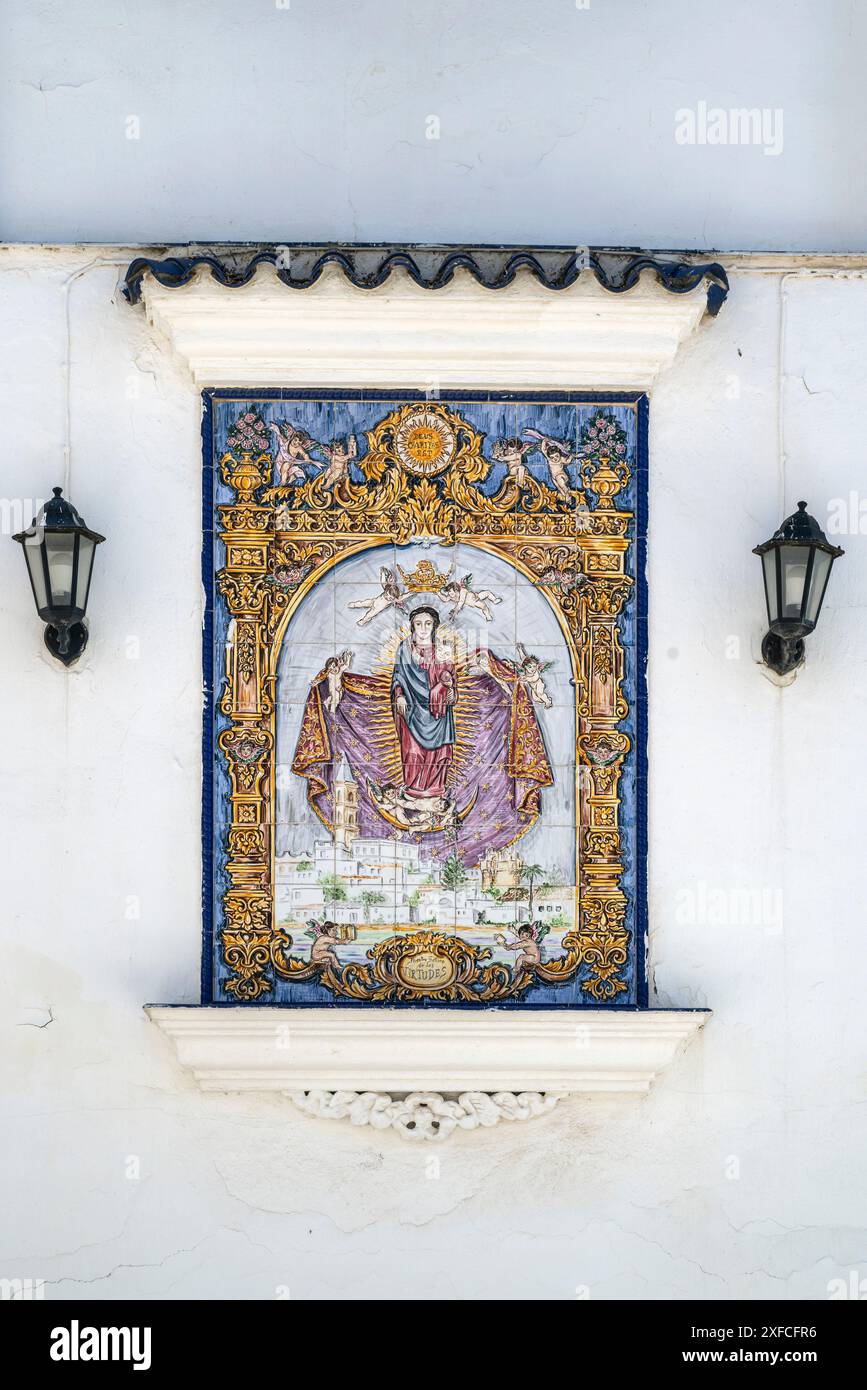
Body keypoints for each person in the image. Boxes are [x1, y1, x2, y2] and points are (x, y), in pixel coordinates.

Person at [391, 606, 456, 800]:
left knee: (438, 753)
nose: (423, 628)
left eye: (428, 623)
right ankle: (413, 790)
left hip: (439, 713)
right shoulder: (404, 649)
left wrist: (450, 689)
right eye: (418, 624)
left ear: (434, 625)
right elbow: (398, 677)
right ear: (412, 626)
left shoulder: (443, 650)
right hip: (412, 710)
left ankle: (435, 791)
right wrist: (399, 695)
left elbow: (451, 678)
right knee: (413, 752)